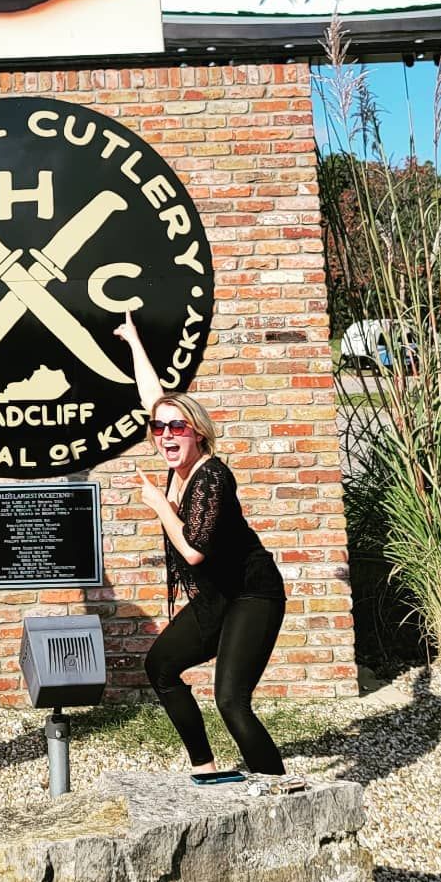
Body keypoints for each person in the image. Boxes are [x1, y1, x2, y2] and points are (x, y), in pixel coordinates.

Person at [113, 309, 299, 786]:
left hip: (253, 595)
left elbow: (194, 550)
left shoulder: (212, 475)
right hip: (217, 597)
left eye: (177, 428)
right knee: (162, 666)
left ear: (197, 431)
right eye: (159, 429)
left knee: (231, 700)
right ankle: (205, 769)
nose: (167, 435)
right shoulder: (175, 459)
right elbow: (155, 399)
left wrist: (159, 505)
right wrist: (133, 340)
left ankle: (280, 791)